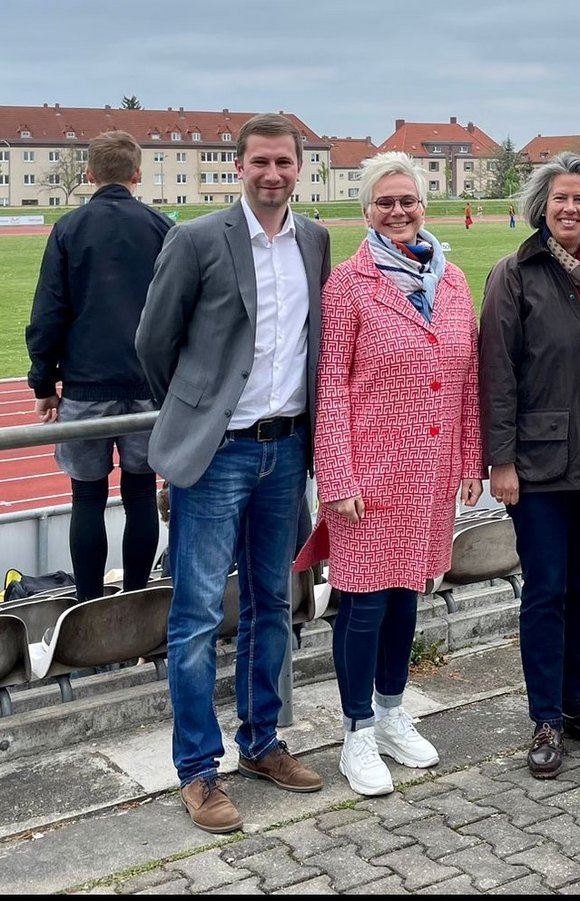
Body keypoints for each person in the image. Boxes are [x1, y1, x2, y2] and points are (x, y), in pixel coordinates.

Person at [136, 114, 331, 834]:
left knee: (272, 604)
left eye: (284, 161)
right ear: (238, 167)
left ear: (299, 168)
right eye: (260, 162)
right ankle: (197, 769)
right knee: (193, 620)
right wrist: (197, 412)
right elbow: (154, 341)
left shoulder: (314, 239)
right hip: (217, 453)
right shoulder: (194, 241)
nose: (272, 173)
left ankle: (261, 742)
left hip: (285, 451)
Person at [291, 152, 483, 796]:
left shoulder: (451, 281)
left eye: (408, 201)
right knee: (365, 603)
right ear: (366, 211)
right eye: (385, 202)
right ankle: (356, 732)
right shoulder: (350, 283)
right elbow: (332, 386)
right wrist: (337, 475)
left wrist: (469, 458)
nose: (399, 212)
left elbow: (466, 378)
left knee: (407, 596)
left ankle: (392, 709)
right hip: (370, 474)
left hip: (430, 473)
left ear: (423, 206)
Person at [478, 152, 580, 779]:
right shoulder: (515, 273)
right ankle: (544, 715)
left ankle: (575, 705)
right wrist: (501, 460)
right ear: (542, 206)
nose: (570, 209)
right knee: (544, 591)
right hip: (540, 465)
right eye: (559, 199)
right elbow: (498, 372)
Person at [25, 130, 172, 603]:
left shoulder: (69, 227)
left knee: (86, 497)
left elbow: (49, 310)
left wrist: (43, 381)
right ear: (137, 174)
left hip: (87, 386)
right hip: (146, 384)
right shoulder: (161, 226)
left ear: (88, 176)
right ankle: (137, 600)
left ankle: (89, 607)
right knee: (140, 491)